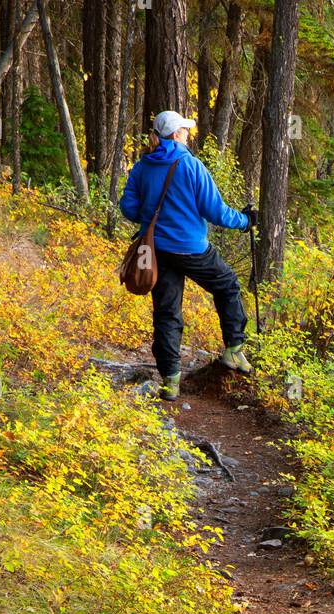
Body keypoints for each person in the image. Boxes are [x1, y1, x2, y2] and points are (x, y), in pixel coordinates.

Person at [119, 110, 257, 400]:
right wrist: (245, 222)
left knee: (166, 311)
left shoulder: (142, 167)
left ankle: (170, 382)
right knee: (228, 284)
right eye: (185, 129)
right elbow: (215, 211)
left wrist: (151, 216)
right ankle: (233, 351)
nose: (187, 133)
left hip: (155, 250)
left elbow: (128, 208)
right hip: (191, 248)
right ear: (177, 135)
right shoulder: (191, 165)